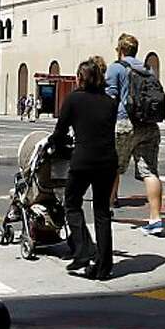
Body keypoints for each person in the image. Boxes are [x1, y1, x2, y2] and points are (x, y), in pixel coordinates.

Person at [51, 56, 118, 279]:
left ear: (80, 78)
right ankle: (104, 266)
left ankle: (82, 248)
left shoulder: (74, 100)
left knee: (71, 202)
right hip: (108, 161)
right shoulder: (110, 102)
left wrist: (58, 148)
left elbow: (60, 132)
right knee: (101, 212)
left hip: (83, 160)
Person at [106, 33, 165, 236]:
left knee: (112, 167)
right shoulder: (147, 69)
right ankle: (156, 219)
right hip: (149, 125)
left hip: (124, 123)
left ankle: (107, 208)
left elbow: (111, 95)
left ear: (120, 50)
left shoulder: (116, 67)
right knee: (150, 172)